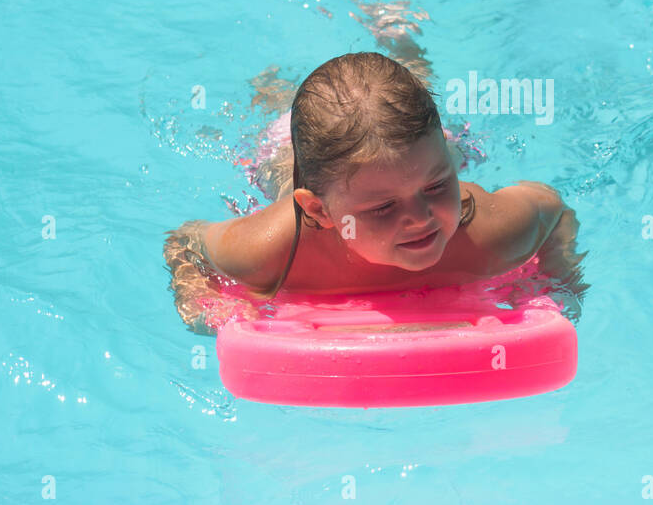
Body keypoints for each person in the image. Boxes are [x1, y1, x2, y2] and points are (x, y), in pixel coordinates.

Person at [164, 52, 582, 333]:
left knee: (416, 91)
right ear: (320, 211)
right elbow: (186, 242)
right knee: (279, 136)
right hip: (288, 152)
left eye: (438, 187)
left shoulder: (488, 233)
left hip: (409, 144)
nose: (421, 218)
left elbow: (554, 210)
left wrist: (555, 279)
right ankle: (270, 89)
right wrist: (203, 304)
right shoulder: (275, 249)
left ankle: (399, 34)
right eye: (383, 208)